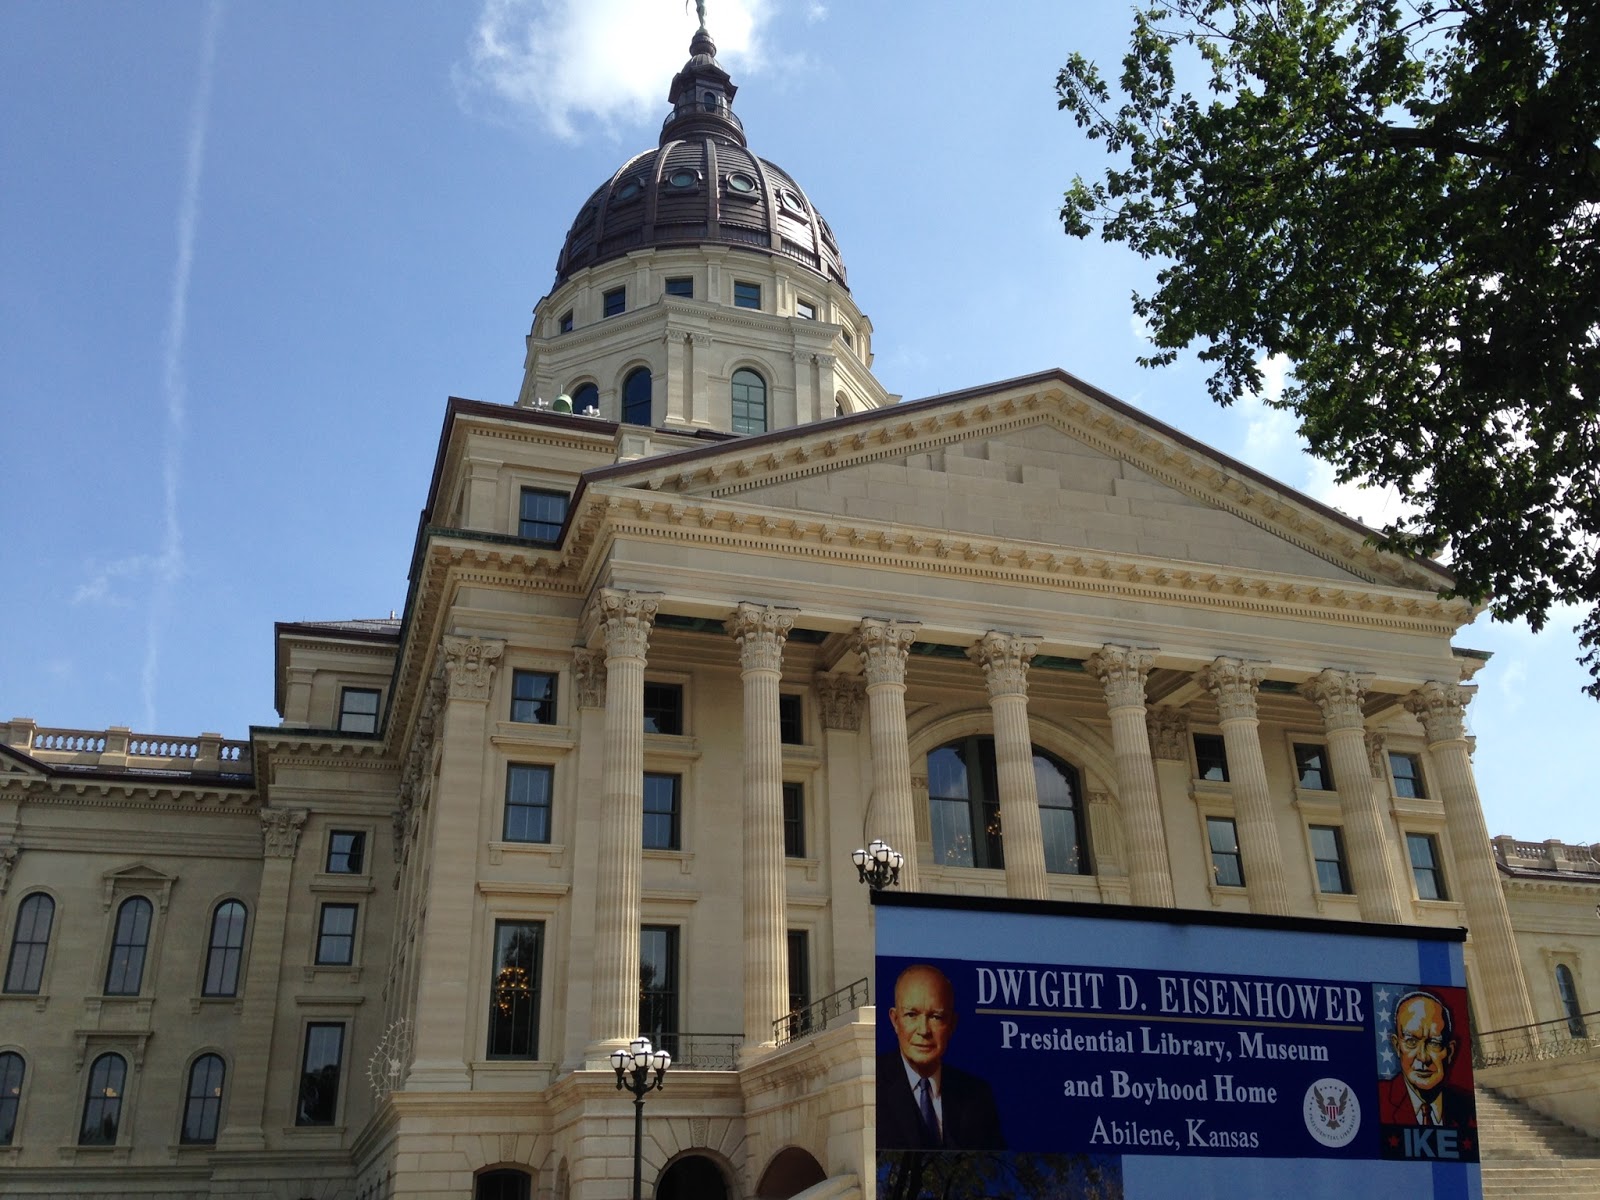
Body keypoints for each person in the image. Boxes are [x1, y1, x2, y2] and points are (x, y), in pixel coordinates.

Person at [877, 963, 1005, 1151]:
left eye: (936, 1017)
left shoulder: (977, 1095)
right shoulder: (874, 1082)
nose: (923, 1030)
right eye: (911, 1015)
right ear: (895, 1020)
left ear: (952, 1024)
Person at [1379, 990, 1475, 1127]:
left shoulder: (1467, 1106)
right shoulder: (1377, 1098)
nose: (1423, 1058)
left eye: (1434, 1043)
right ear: (1397, 1046)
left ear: (1450, 1050)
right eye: (1411, 1042)